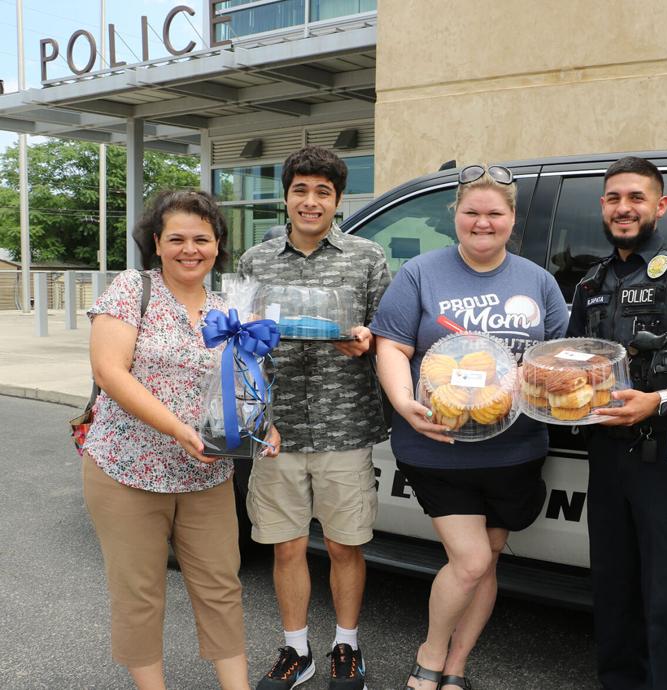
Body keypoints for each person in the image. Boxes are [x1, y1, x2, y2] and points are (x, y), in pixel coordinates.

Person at [369, 163, 568, 690]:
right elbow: (392, 344)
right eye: (472, 212)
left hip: (516, 448)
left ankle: (457, 667)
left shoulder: (537, 281)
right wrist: (403, 399)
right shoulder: (420, 273)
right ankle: (429, 658)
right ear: (454, 214)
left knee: (488, 559)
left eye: (494, 213)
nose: (483, 223)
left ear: (512, 218)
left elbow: (556, 360)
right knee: (472, 557)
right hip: (438, 444)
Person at [83, 189, 281, 690]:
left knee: (221, 586)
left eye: (202, 239)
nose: (189, 249)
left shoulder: (226, 308)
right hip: (128, 468)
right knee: (139, 591)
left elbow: (243, 379)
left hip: (206, 471)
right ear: (157, 242)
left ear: (218, 245)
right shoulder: (133, 289)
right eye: (177, 239)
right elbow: (109, 371)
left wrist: (262, 424)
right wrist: (176, 428)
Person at [237, 145, 391, 690]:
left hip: (344, 424)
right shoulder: (255, 261)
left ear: (338, 200)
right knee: (286, 544)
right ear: (286, 196)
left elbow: (390, 337)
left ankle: (346, 646)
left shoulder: (367, 257)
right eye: (300, 189)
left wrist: (369, 342)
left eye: (322, 191)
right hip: (276, 428)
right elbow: (239, 346)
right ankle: (295, 648)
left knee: (347, 543)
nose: (310, 201)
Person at [566, 156, 667, 690]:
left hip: (664, 458)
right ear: (603, 206)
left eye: (636, 198)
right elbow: (571, 363)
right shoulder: (590, 283)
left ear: (659, 205)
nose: (624, 209)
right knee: (613, 591)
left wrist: (659, 400)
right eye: (614, 198)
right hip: (605, 456)